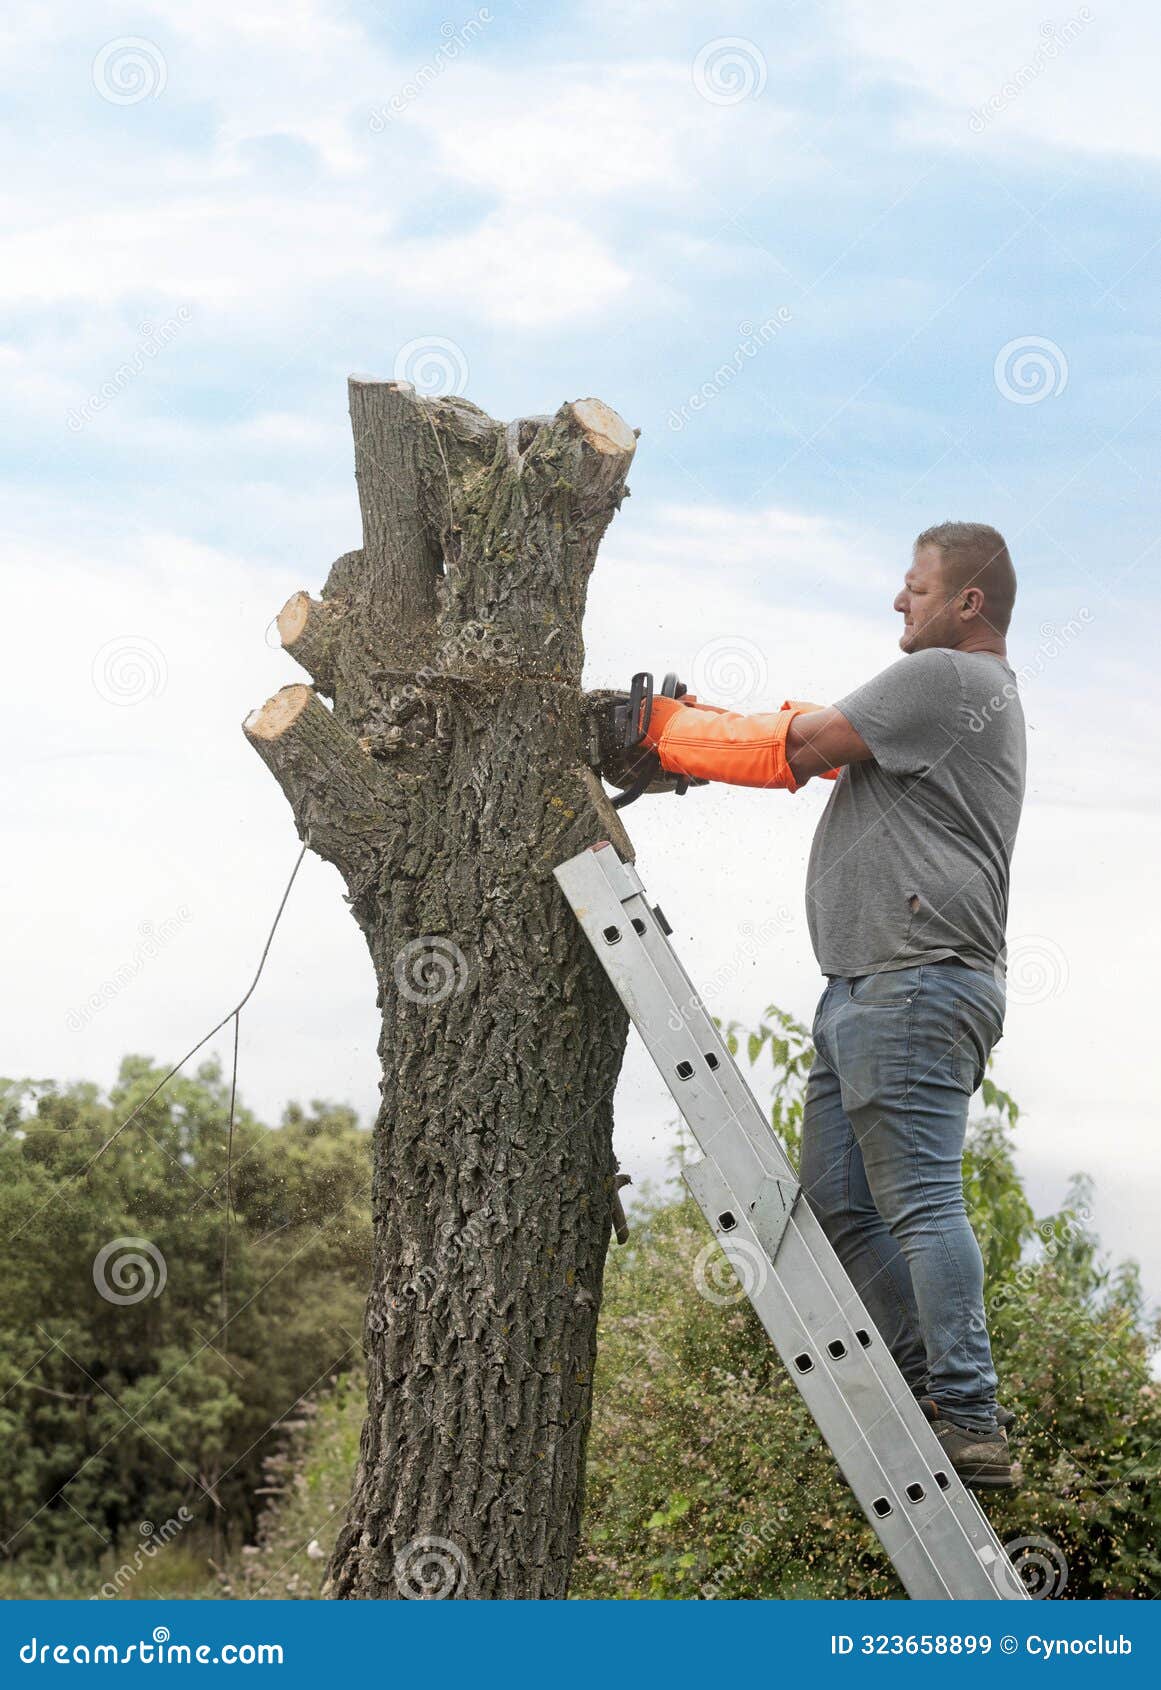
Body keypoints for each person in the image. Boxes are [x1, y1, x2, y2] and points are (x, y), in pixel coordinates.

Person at [635, 521, 1026, 1489]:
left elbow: (802, 745)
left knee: (923, 1203)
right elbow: (807, 724)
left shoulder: (954, 680)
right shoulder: (942, 696)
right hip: (868, 983)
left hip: (914, 979)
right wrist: (689, 735)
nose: (900, 600)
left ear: (965, 601)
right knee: (845, 1209)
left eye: (914, 584)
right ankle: (923, 1394)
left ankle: (969, 1416)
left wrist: (663, 736)